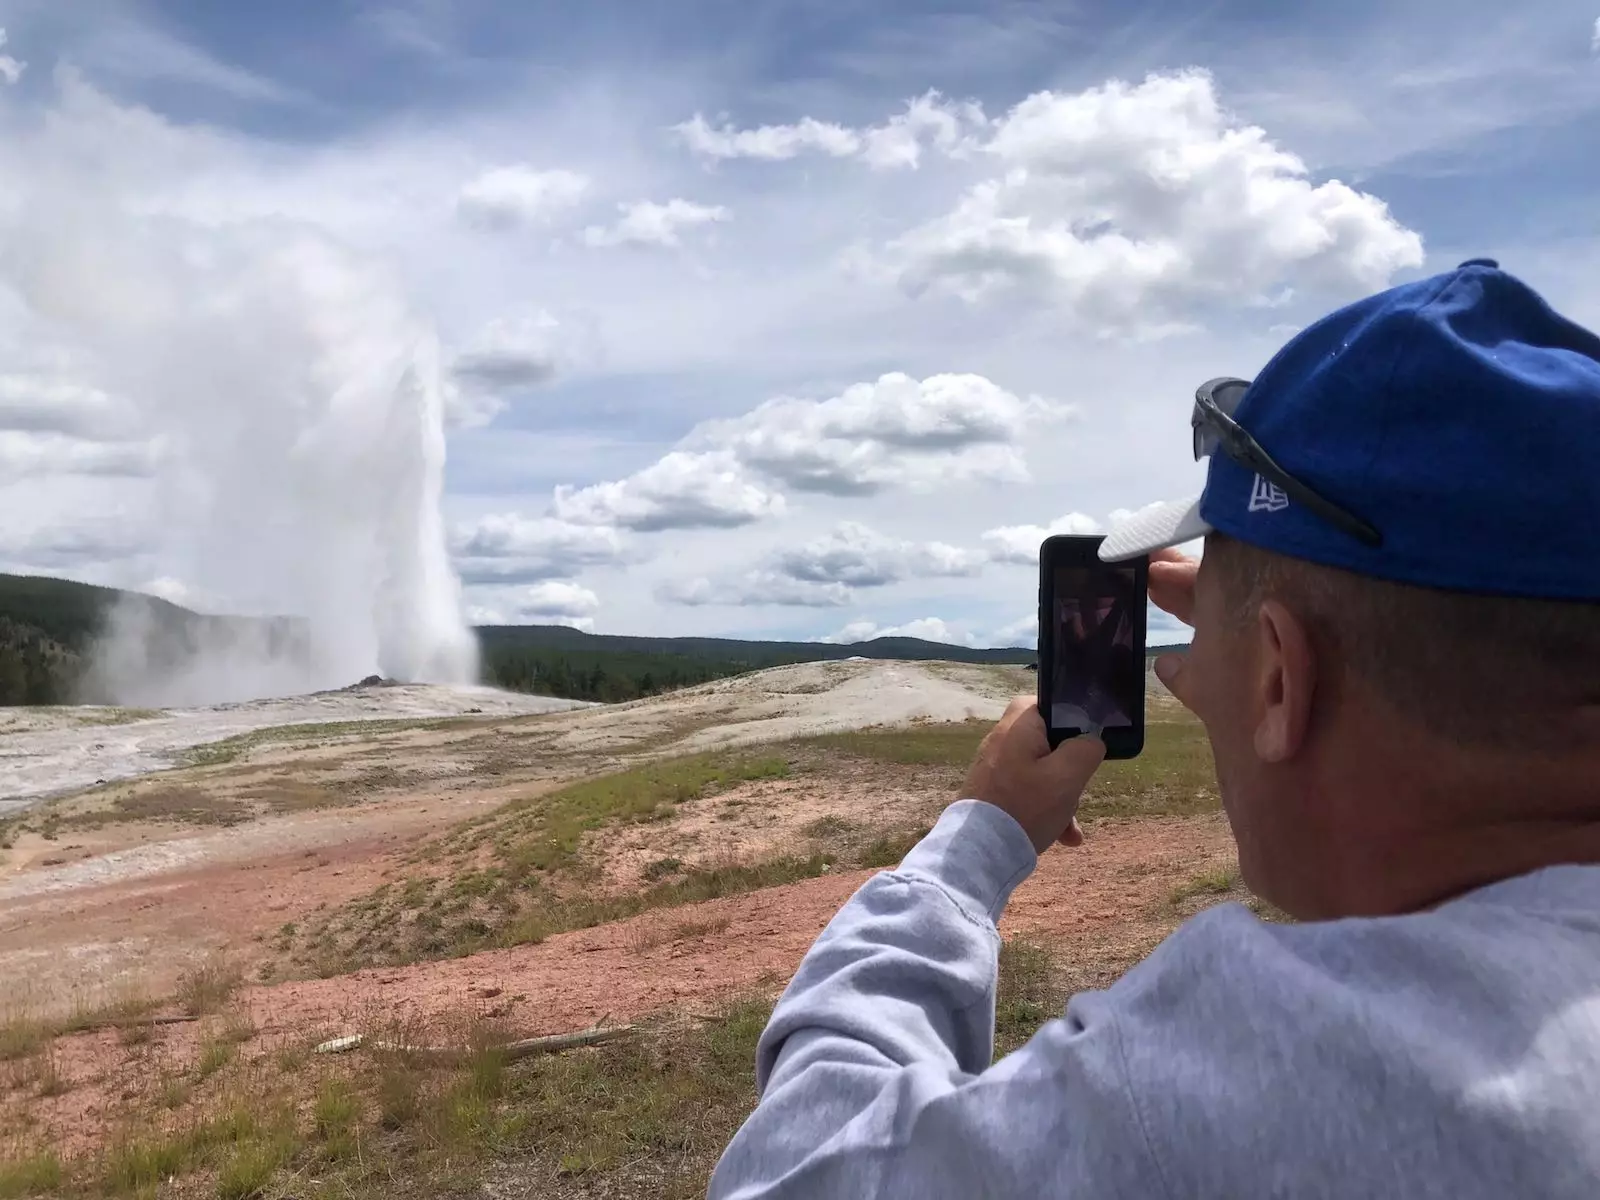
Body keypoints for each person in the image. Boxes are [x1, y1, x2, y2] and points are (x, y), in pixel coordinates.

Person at [708, 259, 1600, 1199]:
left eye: (1202, 646)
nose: (1180, 673)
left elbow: (793, 1171)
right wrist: (1240, 623)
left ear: (1280, 684)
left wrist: (975, 844)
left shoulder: (1244, 1080)